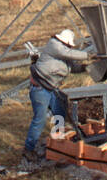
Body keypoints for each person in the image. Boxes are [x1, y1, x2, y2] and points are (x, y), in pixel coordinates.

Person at [23, 29, 88, 165]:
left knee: (60, 112)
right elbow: (67, 53)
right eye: (69, 45)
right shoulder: (54, 45)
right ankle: (28, 149)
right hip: (40, 88)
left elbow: (72, 67)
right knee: (39, 120)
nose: (69, 47)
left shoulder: (64, 53)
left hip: (51, 88)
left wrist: (86, 67)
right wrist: (88, 55)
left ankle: (58, 139)